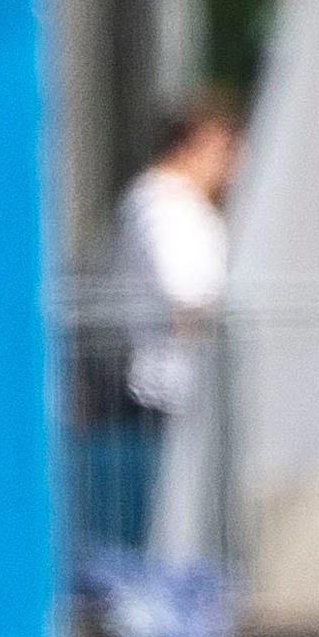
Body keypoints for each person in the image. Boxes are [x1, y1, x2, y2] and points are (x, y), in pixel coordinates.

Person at [111, 101, 240, 560]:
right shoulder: (160, 204)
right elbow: (184, 290)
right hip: (165, 381)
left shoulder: (179, 205)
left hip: (187, 378)